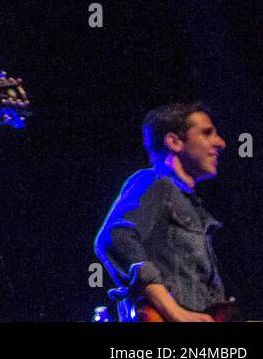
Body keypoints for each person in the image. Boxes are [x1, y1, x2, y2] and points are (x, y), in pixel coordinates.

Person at [95, 101, 231, 321]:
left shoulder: (193, 205)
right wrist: (173, 311)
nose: (220, 143)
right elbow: (115, 237)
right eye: (207, 133)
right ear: (174, 141)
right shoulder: (155, 182)